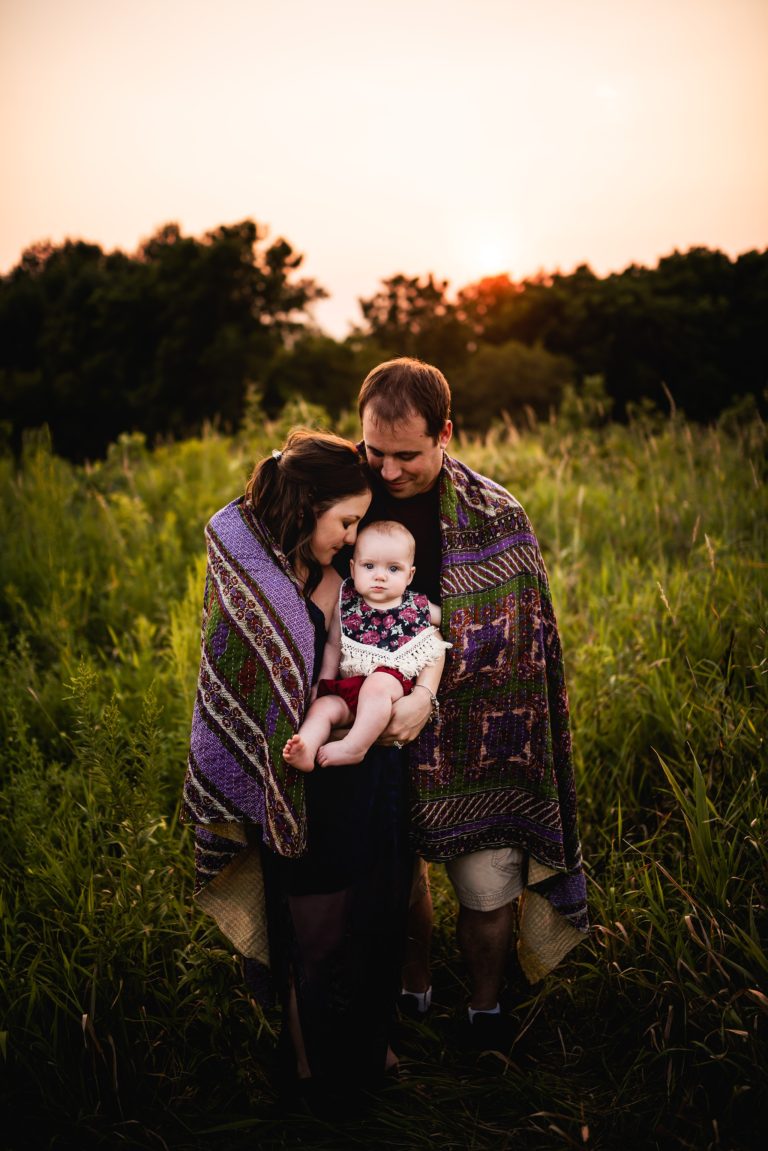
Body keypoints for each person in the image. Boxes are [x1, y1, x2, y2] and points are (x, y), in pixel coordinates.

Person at [351, 357, 589, 1044]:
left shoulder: (497, 517)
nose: (388, 470)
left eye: (407, 455)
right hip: (370, 722)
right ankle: (413, 989)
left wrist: (431, 694)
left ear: (445, 433)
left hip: (482, 732)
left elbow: (524, 644)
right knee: (395, 882)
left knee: (487, 887)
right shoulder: (344, 492)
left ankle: (485, 1008)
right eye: (375, 450)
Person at [181, 428, 413, 1107]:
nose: (352, 536)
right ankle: (306, 1056)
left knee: (366, 912)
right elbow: (233, 679)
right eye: (345, 522)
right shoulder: (250, 575)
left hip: (352, 771)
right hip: (286, 775)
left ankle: (368, 1042)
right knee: (304, 919)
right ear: (308, 507)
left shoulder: (342, 581)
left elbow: (369, 656)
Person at [283, 520, 450, 772]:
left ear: (410, 575)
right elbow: (333, 645)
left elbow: (453, 621)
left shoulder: (417, 605)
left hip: (392, 688)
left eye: (393, 568)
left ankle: (355, 746)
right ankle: (307, 746)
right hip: (352, 688)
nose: (380, 576)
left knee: (376, 685)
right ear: (353, 568)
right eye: (369, 566)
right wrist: (324, 682)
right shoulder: (347, 604)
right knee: (323, 707)